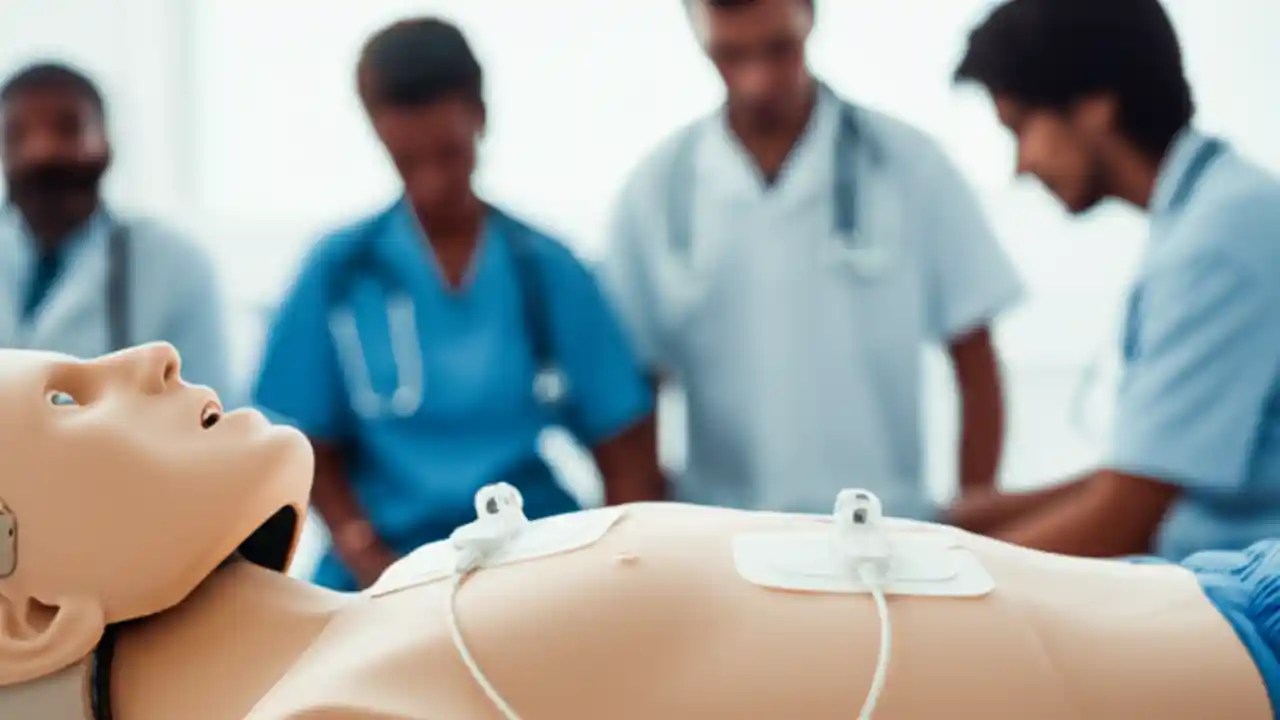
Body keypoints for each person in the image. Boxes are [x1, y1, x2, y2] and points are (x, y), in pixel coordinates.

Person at [0, 345, 1276, 719]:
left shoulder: (374, 626)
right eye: (66, 401)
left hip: (1204, 594)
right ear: (28, 615)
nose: (145, 355)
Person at [253, 18, 662, 592]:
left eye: (449, 153)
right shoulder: (338, 272)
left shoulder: (545, 269)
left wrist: (614, 570)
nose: (432, 182)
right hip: (378, 575)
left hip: (528, 566)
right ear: (377, 131)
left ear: (480, 115)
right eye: (407, 159)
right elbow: (304, 440)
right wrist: (368, 556)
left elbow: (624, 441)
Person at [601, 0, 1024, 520]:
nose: (757, 81)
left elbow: (976, 364)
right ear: (696, 32)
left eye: (780, 48)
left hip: (883, 534)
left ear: (811, 18)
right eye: (729, 54)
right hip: (720, 541)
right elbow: (627, 406)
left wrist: (969, 532)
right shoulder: (655, 192)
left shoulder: (910, 166)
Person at [945, 0, 1280, 560]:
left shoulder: (1222, 239)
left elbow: (1121, 520)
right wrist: (961, 520)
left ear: (1095, 106)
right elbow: (1153, 473)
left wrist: (931, 576)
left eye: (1020, 127)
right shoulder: (1215, 210)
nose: (1019, 165)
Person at [0, 63, 230, 394]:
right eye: (17, 134)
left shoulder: (178, 267)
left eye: (68, 129)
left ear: (106, 143)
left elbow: (211, 421)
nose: (42, 150)